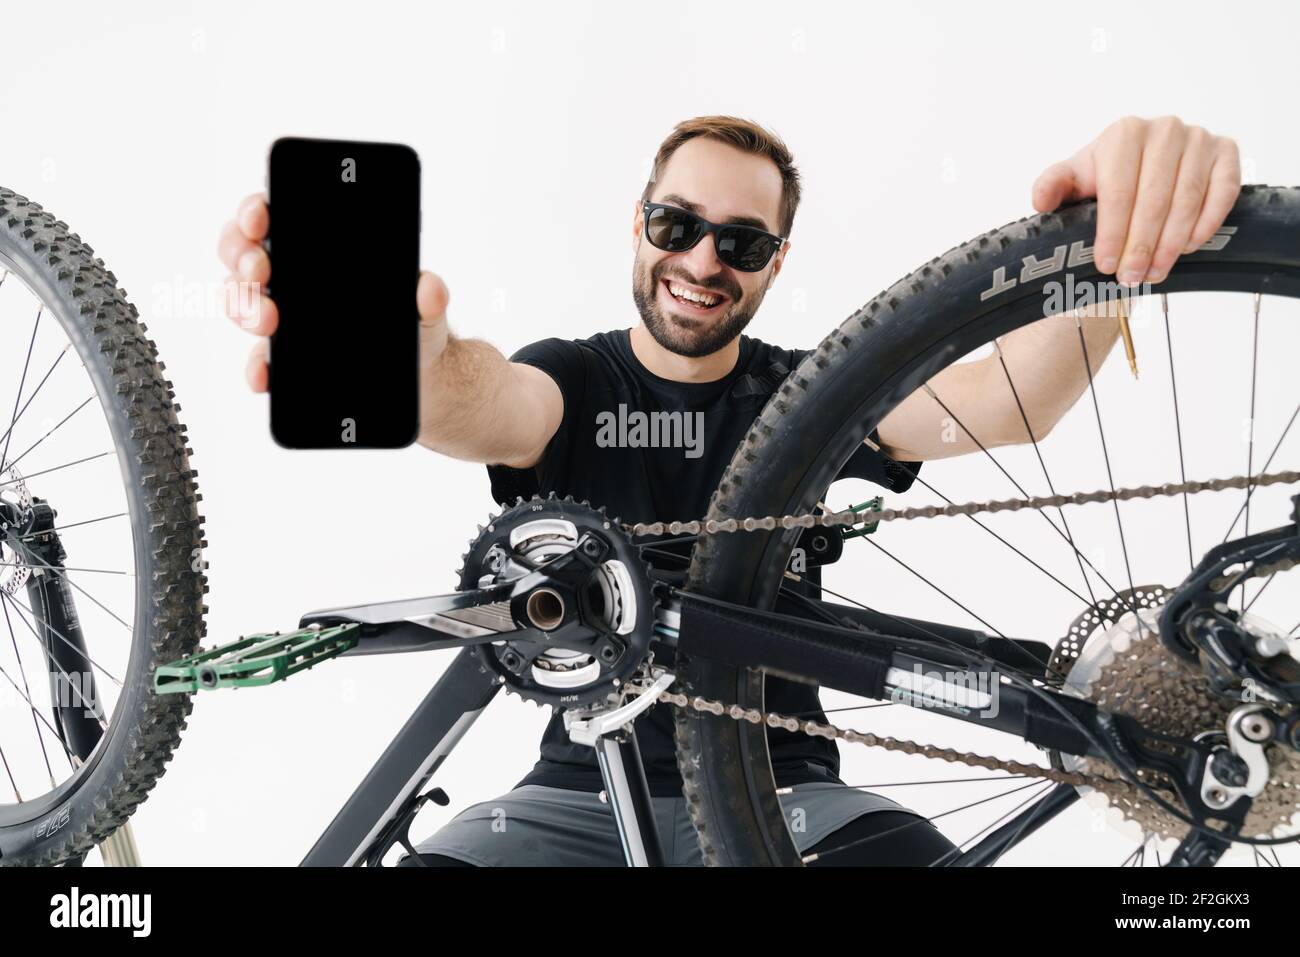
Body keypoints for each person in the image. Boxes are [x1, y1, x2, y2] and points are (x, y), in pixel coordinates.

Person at [218, 114, 1240, 865]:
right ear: (639, 224)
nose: (702, 260)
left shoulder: (808, 395)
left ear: (774, 261)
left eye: (740, 244)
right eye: (677, 224)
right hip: (564, 803)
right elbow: (476, 398)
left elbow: (1004, 401)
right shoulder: (567, 380)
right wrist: (411, 355)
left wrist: (1121, 250)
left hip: (790, 799)